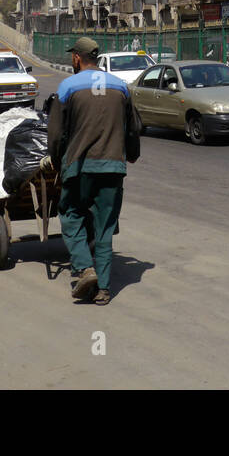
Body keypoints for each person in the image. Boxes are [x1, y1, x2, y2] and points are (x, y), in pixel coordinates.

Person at [47, 37, 141, 306]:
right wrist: (131, 155)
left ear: (77, 58)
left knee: (71, 214)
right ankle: (103, 290)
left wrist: (55, 160)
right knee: (105, 226)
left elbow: (56, 134)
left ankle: (84, 268)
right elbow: (133, 127)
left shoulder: (67, 87)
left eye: (72, 57)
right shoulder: (120, 87)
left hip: (79, 166)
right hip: (113, 166)